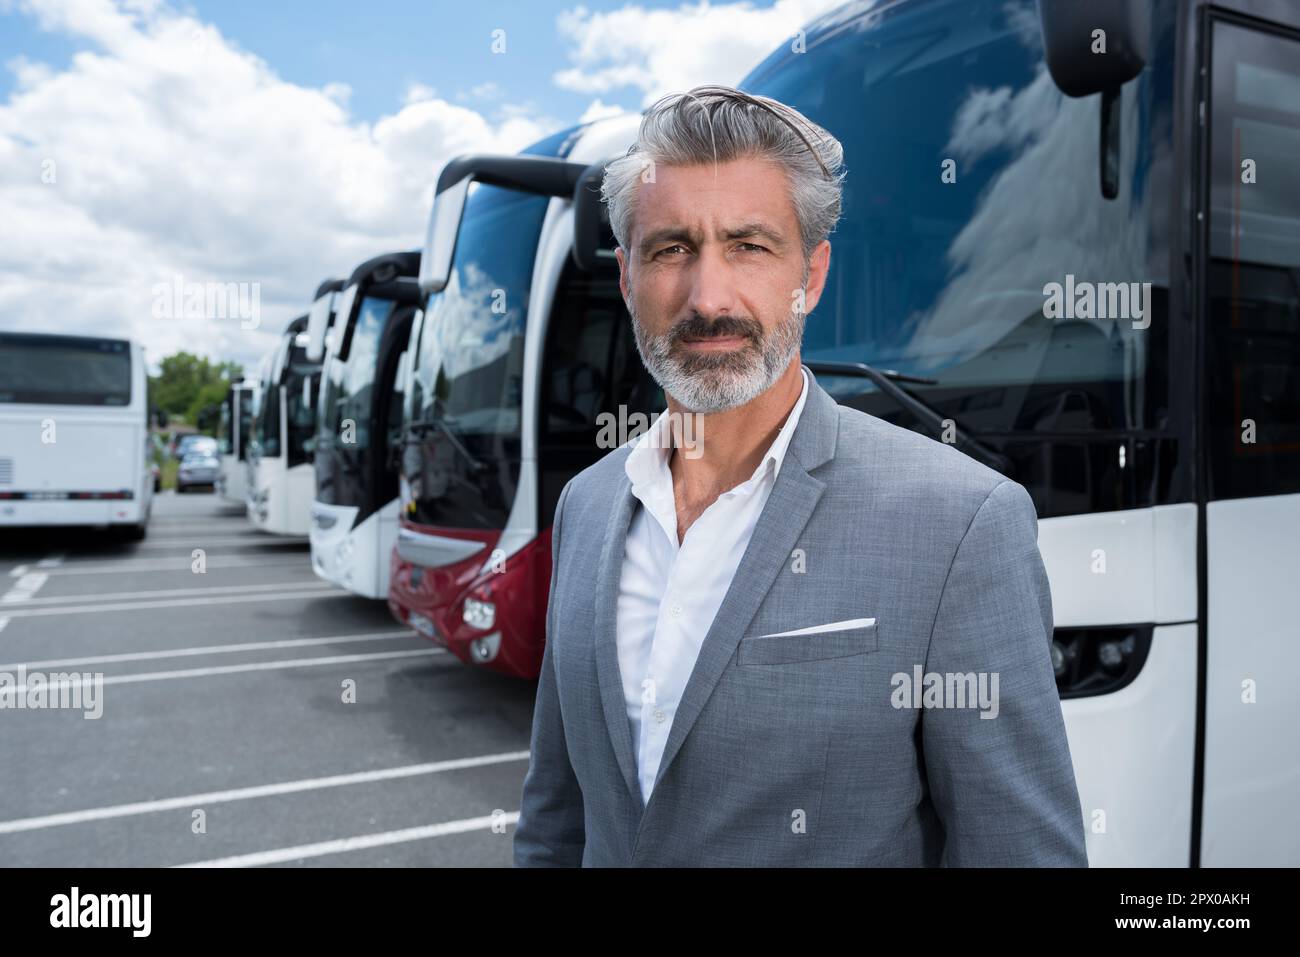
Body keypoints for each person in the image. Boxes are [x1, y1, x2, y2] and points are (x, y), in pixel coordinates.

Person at [514, 85, 1087, 866]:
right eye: (671, 248)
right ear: (627, 279)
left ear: (810, 277)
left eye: (749, 245)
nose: (707, 296)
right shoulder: (586, 505)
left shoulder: (961, 523)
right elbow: (556, 819)